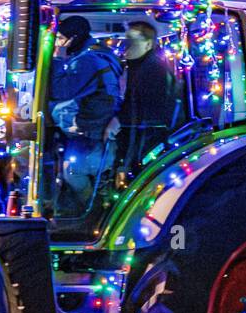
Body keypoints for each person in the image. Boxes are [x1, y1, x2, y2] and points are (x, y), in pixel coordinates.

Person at [49, 15, 124, 214]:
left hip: (92, 133)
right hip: (97, 129)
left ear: (73, 39)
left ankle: (92, 211)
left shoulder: (87, 61)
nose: (58, 43)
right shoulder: (100, 54)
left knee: (71, 172)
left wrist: (56, 57)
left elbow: (59, 90)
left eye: (60, 39)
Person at [116, 20, 180, 173]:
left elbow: (146, 116)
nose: (127, 45)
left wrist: (118, 120)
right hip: (140, 143)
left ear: (148, 44)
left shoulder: (152, 70)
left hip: (147, 147)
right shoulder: (136, 67)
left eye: (133, 40)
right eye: (127, 40)